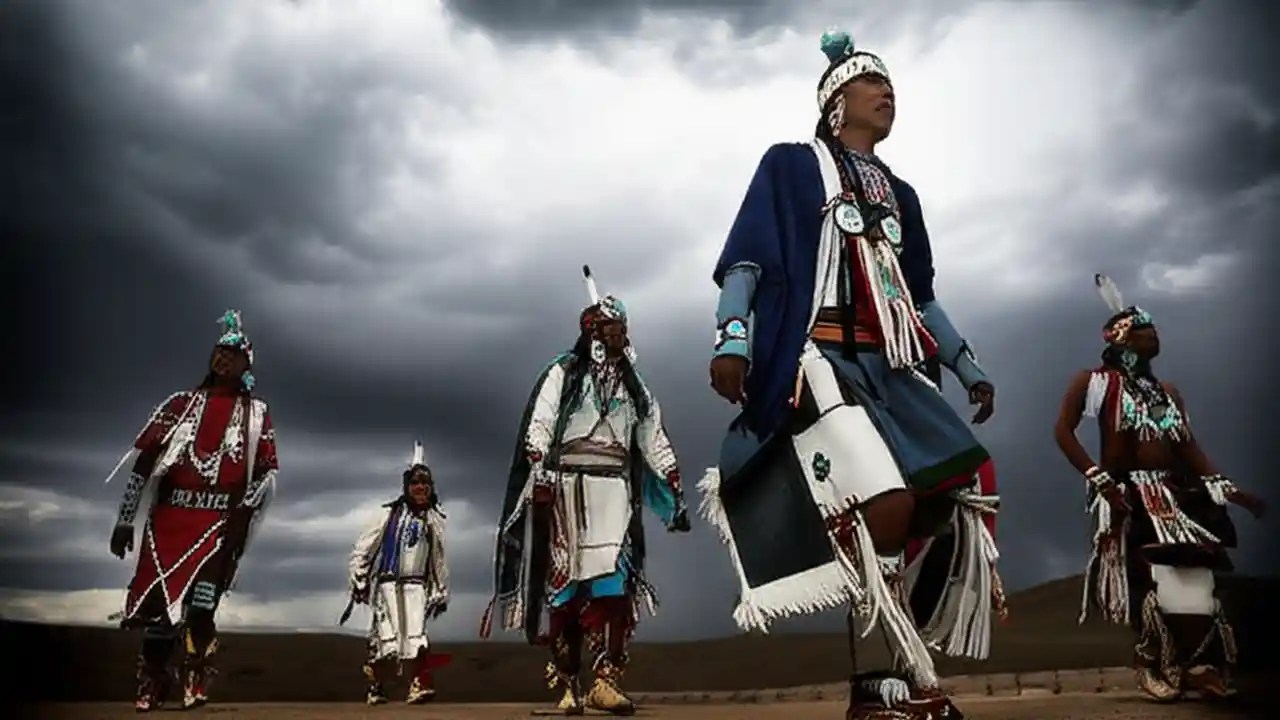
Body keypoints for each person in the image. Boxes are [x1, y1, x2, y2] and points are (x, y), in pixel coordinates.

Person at [697, 28, 1004, 720]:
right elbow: (747, 259)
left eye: (891, 84)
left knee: (956, 494)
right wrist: (734, 339)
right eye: (872, 82)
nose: (887, 92)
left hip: (892, 365)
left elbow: (921, 297)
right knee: (884, 505)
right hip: (818, 359)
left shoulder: (902, 194)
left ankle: (892, 681)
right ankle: (895, 683)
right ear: (836, 100)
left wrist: (966, 365)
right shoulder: (791, 166)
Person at [481, 266, 691, 716]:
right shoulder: (563, 373)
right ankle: (569, 684)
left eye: (624, 329)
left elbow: (651, 433)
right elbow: (541, 420)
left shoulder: (635, 387)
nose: (620, 337)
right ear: (594, 330)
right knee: (566, 590)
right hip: (566, 490)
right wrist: (538, 460)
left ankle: (605, 680)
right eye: (613, 329)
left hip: (615, 492)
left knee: (614, 584)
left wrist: (669, 472)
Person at [1054, 274, 1265, 702]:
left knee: (1198, 578)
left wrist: (1228, 488)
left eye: (1155, 331)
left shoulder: (1163, 394)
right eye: (1145, 332)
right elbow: (1063, 431)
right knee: (1152, 579)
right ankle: (1152, 659)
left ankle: (1199, 665)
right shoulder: (1095, 383)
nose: (1155, 337)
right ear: (1121, 341)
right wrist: (1098, 479)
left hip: (1178, 494)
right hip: (1128, 493)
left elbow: (1187, 446)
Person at [105, 309, 278, 711]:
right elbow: (145, 462)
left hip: (219, 523)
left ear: (246, 365)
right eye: (218, 352)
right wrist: (125, 519)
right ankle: (152, 678)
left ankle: (196, 674)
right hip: (167, 522)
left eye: (233, 355)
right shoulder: (180, 404)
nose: (223, 359)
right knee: (157, 609)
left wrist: (242, 521)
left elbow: (266, 472)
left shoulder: (256, 415)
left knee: (201, 604)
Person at [345, 441, 451, 705]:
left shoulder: (434, 521)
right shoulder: (388, 515)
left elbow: (438, 560)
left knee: (416, 638)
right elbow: (364, 549)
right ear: (407, 487)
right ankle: (376, 687)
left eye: (425, 484)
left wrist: (441, 591)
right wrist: (358, 578)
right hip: (388, 586)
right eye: (415, 483)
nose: (421, 488)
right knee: (387, 641)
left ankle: (418, 685)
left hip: (416, 587)